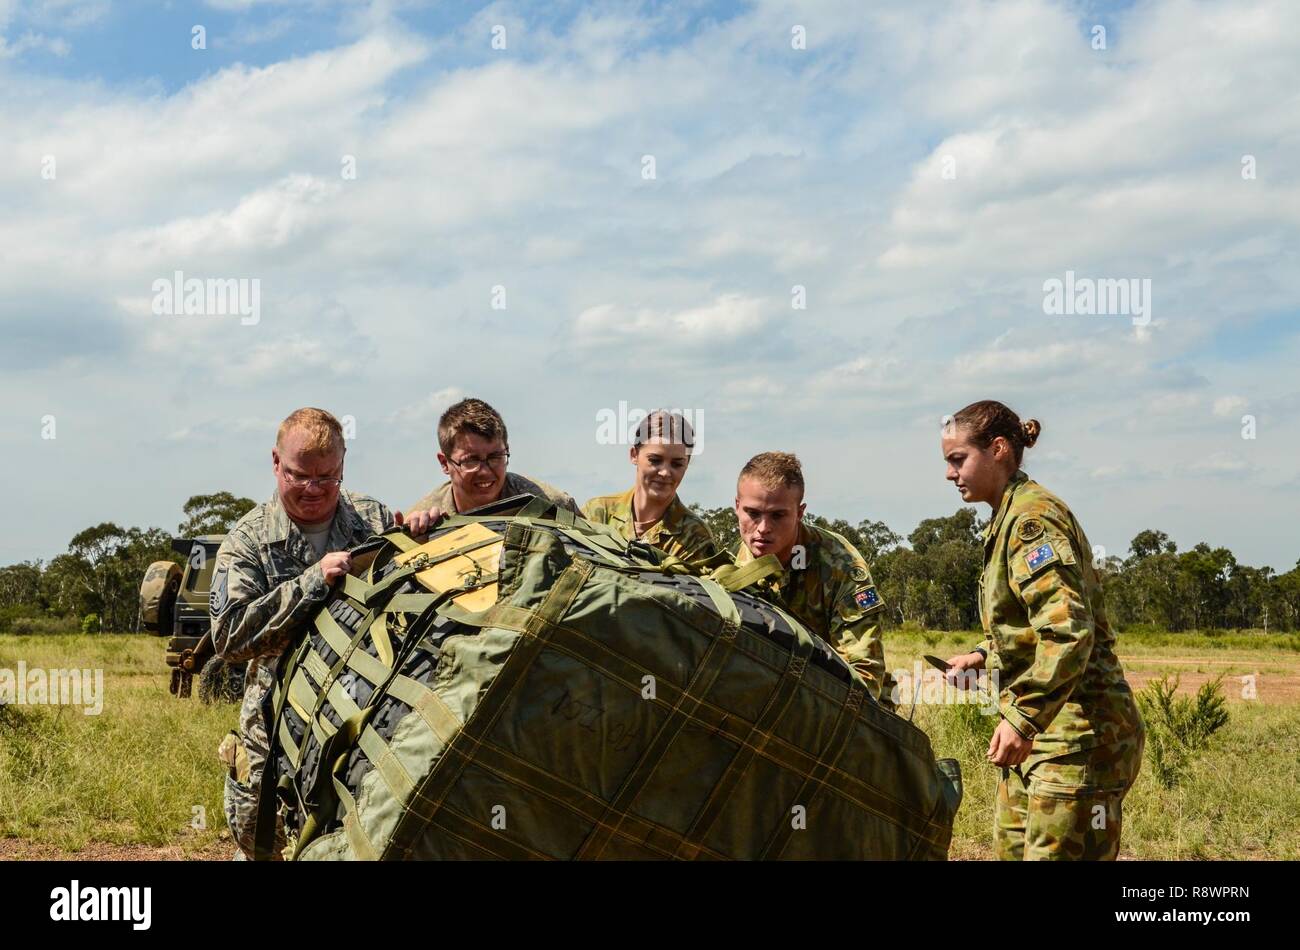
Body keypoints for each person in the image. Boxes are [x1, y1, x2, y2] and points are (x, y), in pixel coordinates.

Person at [940, 400, 1144, 861]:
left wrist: (1023, 716)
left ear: (997, 450)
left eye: (958, 460)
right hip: (1037, 739)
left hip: (1078, 738)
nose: (951, 474)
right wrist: (982, 654)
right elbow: (1028, 628)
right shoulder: (1006, 517)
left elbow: (1069, 630)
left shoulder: (1034, 520)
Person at [211, 407, 408, 860]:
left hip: (361, 726)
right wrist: (311, 582)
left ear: (343, 465)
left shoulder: (373, 520)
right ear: (276, 463)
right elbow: (230, 638)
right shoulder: (248, 541)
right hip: (276, 734)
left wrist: (421, 535)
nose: (315, 489)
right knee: (268, 847)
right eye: (301, 475)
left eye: (328, 476)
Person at [732, 452, 894, 710]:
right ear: (737, 506)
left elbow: (865, 676)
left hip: (837, 708)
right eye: (753, 513)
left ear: (800, 513)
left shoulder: (841, 566)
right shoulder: (728, 567)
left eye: (777, 516)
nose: (762, 528)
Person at [582, 410, 719, 572]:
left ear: (687, 464)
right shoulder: (598, 513)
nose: (665, 472)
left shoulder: (695, 536)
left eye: (676, 464)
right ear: (634, 455)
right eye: (655, 460)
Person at [406, 398, 579, 521]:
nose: (485, 471)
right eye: (471, 460)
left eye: (495, 457)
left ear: (507, 450)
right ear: (445, 463)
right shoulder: (425, 524)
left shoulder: (551, 506)